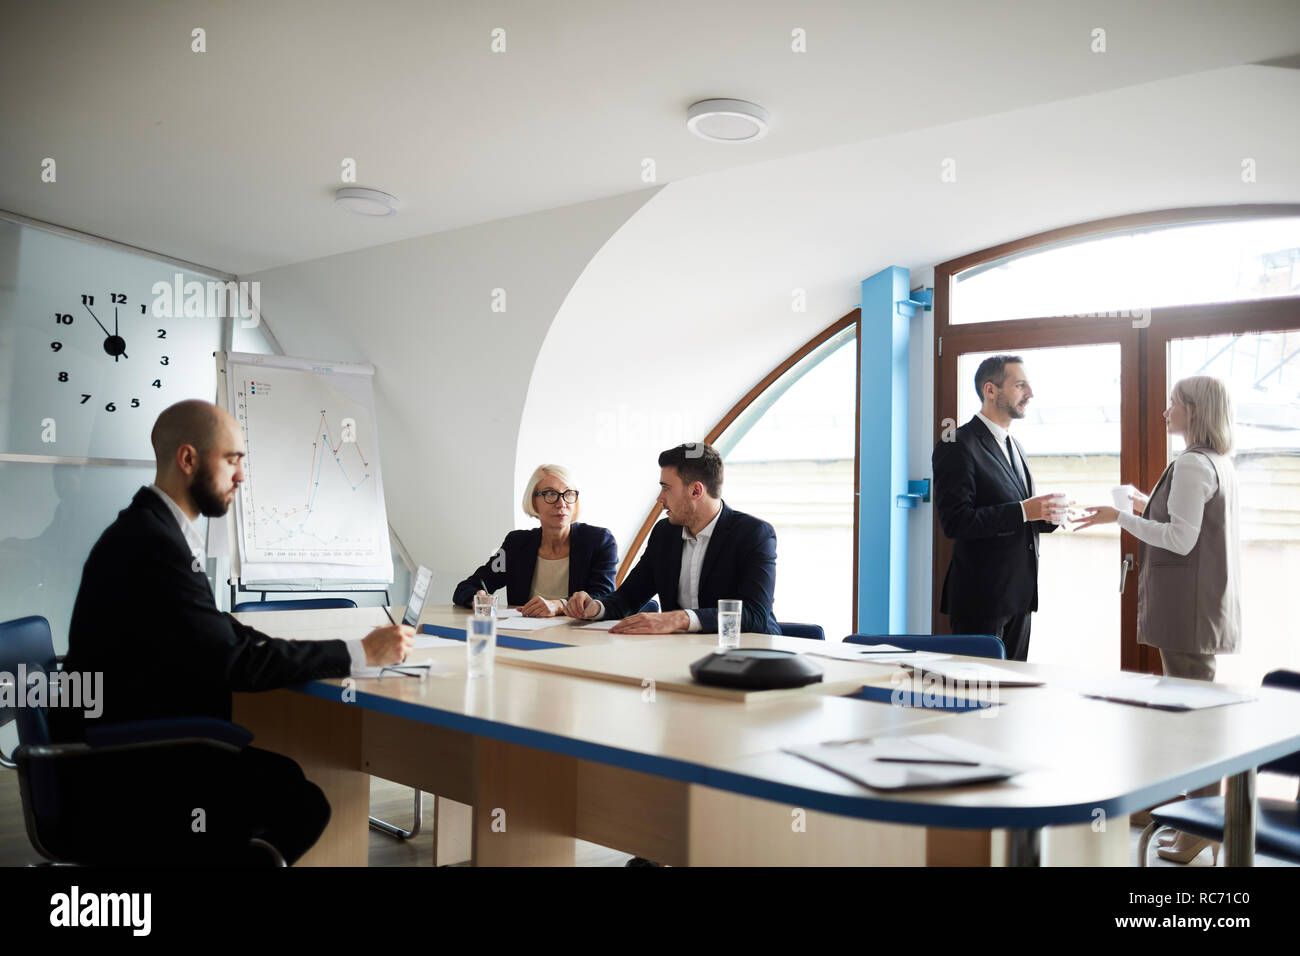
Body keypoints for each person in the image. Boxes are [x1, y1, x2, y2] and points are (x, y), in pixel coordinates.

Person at [55, 399, 413, 865]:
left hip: (131, 741)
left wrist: (334, 649)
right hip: (133, 765)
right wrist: (359, 652)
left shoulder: (152, 529)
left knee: (287, 782)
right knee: (301, 803)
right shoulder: (151, 544)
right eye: (232, 459)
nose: (241, 476)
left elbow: (219, 631)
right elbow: (232, 663)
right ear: (188, 459)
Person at [1075, 375, 1241, 865]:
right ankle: (1199, 826)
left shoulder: (1192, 463)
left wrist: (1120, 517)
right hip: (1203, 609)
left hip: (1185, 614)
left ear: (1194, 410)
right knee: (1197, 718)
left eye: (1173, 404)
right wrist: (1147, 504)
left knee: (1193, 724)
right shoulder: (1216, 462)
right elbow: (1188, 525)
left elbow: (1180, 540)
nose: (1166, 411)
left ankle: (1201, 828)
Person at [564, 442, 779, 635]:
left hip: (746, 656)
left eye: (666, 488)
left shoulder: (754, 534)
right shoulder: (664, 533)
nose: (660, 498)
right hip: (678, 654)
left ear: (696, 490)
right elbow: (629, 597)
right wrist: (595, 607)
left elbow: (754, 615)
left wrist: (681, 618)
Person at [932, 355, 1062, 661]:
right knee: (977, 697)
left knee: (1011, 697)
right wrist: (1025, 511)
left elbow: (1017, 511)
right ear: (991, 391)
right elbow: (955, 521)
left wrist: (1048, 515)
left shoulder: (1015, 445)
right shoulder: (956, 443)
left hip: (1019, 596)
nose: (1029, 393)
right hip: (981, 600)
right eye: (1020, 385)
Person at [452, 464, 617, 616]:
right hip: (525, 636)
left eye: (568, 494)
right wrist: (478, 596)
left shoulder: (599, 541)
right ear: (533, 501)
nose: (561, 503)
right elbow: (468, 587)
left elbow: (604, 596)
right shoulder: (516, 544)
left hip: (579, 637)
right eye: (551, 494)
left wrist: (559, 605)